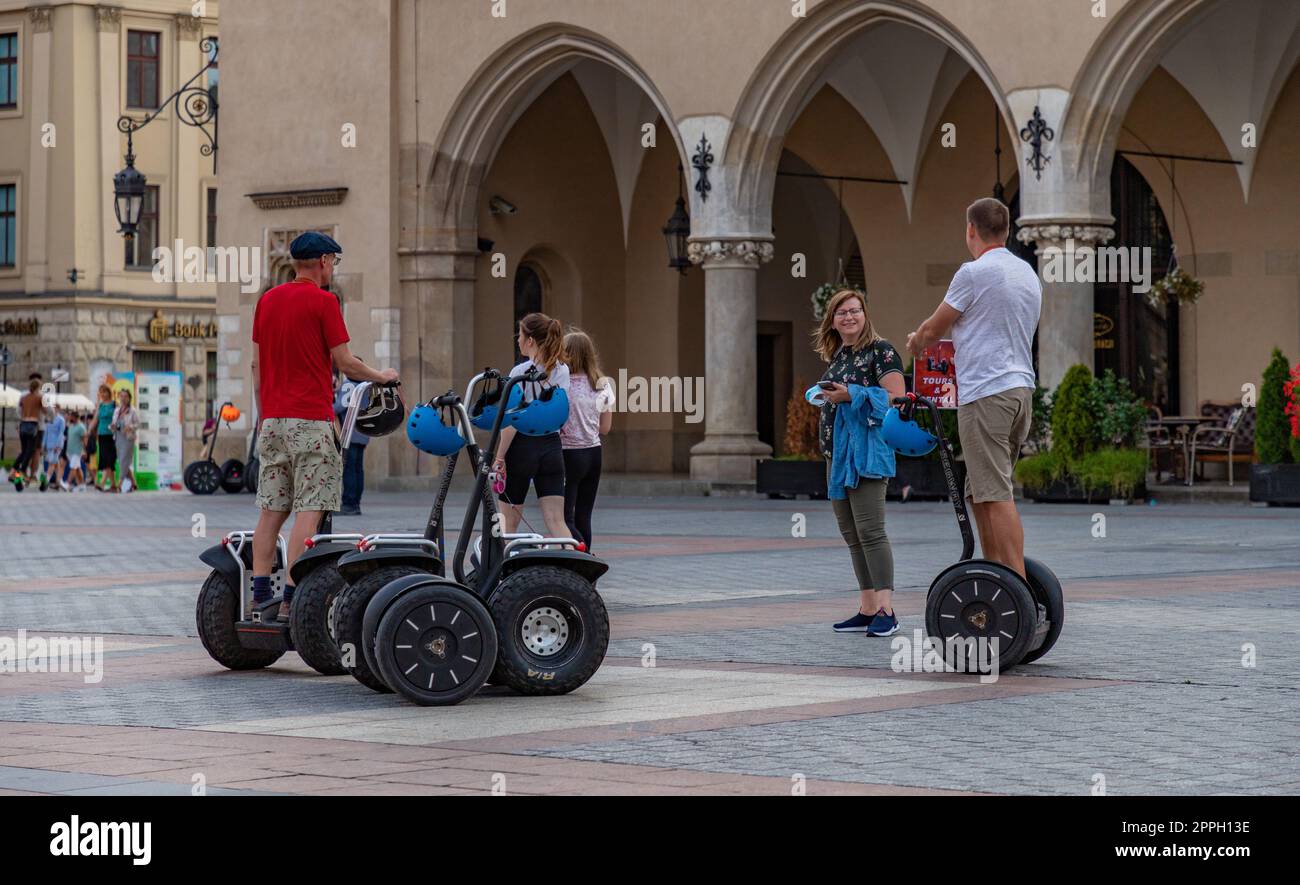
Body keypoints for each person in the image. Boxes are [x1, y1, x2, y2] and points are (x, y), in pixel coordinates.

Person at [251, 232, 397, 621]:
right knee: (310, 509)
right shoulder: (324, 301)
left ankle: (259, 594)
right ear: (324, 261)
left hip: (273, 421)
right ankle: (290, 600)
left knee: (270, 510)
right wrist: (381, 376)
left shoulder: (266, 301)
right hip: (310, 421)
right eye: (334, 261)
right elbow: (346, 363)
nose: (334, 269)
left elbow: (256, 365)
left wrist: (265, 412)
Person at [907, 197, 1041, 579]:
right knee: (977, 491)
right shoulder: (1028, 273)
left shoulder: (973, 272)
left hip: (986, 393)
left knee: (996, 493)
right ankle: (994, 571)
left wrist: (916, 342)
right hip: (1020, 392)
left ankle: (1016, 584)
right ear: (1007, 230)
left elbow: (935, 328)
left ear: (970, 230)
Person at [814, 289, 907, 637]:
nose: (848, 317)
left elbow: (897, 399)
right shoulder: (840, 355)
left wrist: (852, 394)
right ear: (832, 320)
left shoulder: (881, 351)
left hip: (867, 454)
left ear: (865, 314)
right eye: (841, 313)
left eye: (854, 311)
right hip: (837, 456)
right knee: (852, 535)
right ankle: (867, 609)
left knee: (871, 531)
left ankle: (887, 610)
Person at [493, 313, 572, 539]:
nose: (517, 340)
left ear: (530, 341)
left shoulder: (519, 373)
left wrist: (499, 457)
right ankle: (572, 570)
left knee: (508, 522)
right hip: (551, 447)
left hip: (522, 447)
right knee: (556, 521)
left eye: (520, 335)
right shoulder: (561, 370)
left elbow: (512, 422)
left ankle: (506, 571)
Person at [560, 329, 614, 549]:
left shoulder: (562, 385)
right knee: (584, 517)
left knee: (564, 518)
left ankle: (581, 554)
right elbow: (606, 428)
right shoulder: (602, 384)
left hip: (568, 453)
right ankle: (586, 569)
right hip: (594, 453)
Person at [334, 370, 371, 516]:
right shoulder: (366, 385)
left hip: (349, 433)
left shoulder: (348, 384)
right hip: (363, 433)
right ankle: (356, 503)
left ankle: (348, 503)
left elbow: (339, 406)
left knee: (349, 468)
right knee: (358, 469)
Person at [12, 379, 43, 485]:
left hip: (23, 425)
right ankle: (22, 472)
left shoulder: (23, 397)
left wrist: (23, 417)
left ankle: (14, 472)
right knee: (31, 451)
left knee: (24, 451)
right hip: (33, 426)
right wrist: (51, 418)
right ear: (37, 388)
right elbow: (47, 410)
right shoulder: (39, 397)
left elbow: (18, 410)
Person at [112, 389, 140, 493]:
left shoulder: (132, 410)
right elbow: (114, 423)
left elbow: (138, 424)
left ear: (129, 398)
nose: (123, 398)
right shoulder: (117, 410)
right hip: (118, 437)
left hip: (128, 438)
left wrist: (130, 427)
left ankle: (118, 484)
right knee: (123, 461)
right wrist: (112, 426)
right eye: (121, 396)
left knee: (124, 460)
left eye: (125, 396)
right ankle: (134, 483)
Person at [94, 385, 117, 492]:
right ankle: (113, 486)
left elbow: (119, 418)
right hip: (101, 435)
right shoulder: (100, 405)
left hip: (112, 435)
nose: (103, 394)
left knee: (109, 460)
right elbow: (96, 419)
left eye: (104, 392)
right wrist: (89, 431)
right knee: (106, 461)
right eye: (101, 392)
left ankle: (102, 483)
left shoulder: (114, 404)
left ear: (109, 392)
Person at [40, 406, 66, 493]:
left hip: (57, 446)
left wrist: (57, 445)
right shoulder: (48, 419)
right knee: (55, 463)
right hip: (49, 445)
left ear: (58, 409)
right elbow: (46, 433)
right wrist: (43, 445)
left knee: (52, 463)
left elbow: (61, 433)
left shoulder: (61, 420)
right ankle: (59, 482)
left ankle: (46, 481)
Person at [65, 412, 87, 491]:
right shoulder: (71, 426)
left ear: (75, 417)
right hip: (70, 451)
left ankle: (67, 483)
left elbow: (85, 439)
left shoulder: (81, 427)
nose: (70, 418)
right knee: (77, 468)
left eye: (71, 417)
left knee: (73, 467)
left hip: (77, 451)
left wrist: (85, 451)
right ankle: (82, 485)